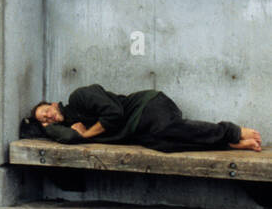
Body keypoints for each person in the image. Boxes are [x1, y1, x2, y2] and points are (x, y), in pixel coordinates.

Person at [21, 84, 262, 152]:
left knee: (167, 128)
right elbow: (68, 136)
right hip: (141, 131)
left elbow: (114, 114)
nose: (50, 118)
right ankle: (227, 143)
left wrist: (87, 133)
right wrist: (46, 129)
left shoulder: (79, 97)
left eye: (46, 112)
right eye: (46, 121)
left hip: (148, 105)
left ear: (53, 103)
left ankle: (232, 131)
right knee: (164, 144)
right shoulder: (71, 127)